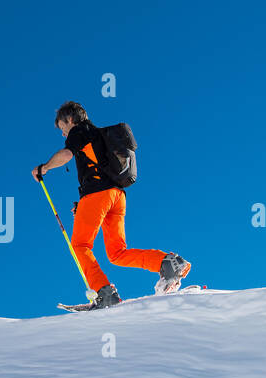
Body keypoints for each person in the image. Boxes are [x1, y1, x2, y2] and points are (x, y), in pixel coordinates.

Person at [32, 101, 190, 309]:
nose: (63, 134)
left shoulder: (79, 130)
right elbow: (98, 170)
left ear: (70, 120)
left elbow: (67, 154)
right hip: (116, 197)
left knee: (80, 246)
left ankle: (105, 294)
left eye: (63, 127)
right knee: (117, 253)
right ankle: (168, 263)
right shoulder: (97, 135)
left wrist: (45, 167)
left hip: (98, 196)